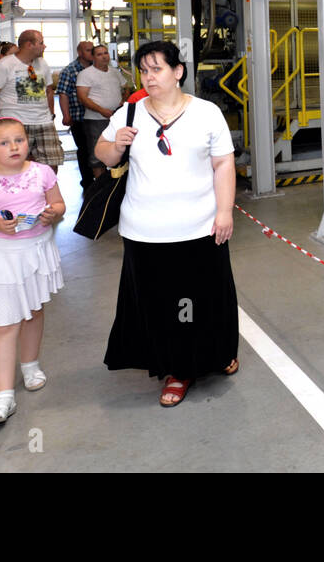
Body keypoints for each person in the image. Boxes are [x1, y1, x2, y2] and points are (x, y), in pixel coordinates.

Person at [97, 40, 239, 407]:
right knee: (163, 305)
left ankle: (218, 353)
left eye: (157, 69)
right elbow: (103, 152)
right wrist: (117, 145)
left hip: (199, 227)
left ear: (178, 72)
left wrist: (225, 211)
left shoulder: (207, 113)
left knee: (206, 299)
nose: (149, 77)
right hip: (144, 230)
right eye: (144, 70)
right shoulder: (129, 113)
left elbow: (223, 164)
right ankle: (178, 371)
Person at [0, 118, 66, 424]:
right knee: (3, 324)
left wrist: (51, 214)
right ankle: (3, 396)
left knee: (33, 311)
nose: (14, 147)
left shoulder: (41, 172)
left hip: (35, 252)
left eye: (19, 140)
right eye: (4, 143)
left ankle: (30, 365)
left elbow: (59, 204)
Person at [0, 29, 65, 169]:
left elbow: (49, 90)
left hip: (43, 122)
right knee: (17, 166)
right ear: (29, 45)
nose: (44, 46)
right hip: (16, 122)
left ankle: (45, 191)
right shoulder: (4, 66)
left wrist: (51, 115)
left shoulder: (42, 64)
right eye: (41, 43)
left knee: (52, 165)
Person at [75, 45, 130, 181]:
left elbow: (126, 88)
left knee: (118, 151)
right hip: (95, 120)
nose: (104, 56)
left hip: (115, 119)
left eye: (106, 53)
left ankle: (115, 186)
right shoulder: (86, 74)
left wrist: (123, 102)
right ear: (93, 57)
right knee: (96, 156)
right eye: (99, 54)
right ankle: (99, 187)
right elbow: (82, 97)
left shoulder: (115, 72)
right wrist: (102, 110)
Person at [57, 40, 95, 190]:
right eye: (88, 50)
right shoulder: (70, 71)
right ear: (80, 53)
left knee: (98, 148)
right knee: (84, 149)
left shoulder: (98, 68)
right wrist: (66, 115)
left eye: (93, 50)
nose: (91, 53)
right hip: (80, 117)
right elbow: (63, 94)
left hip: (99, 116)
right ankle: (87, 181)